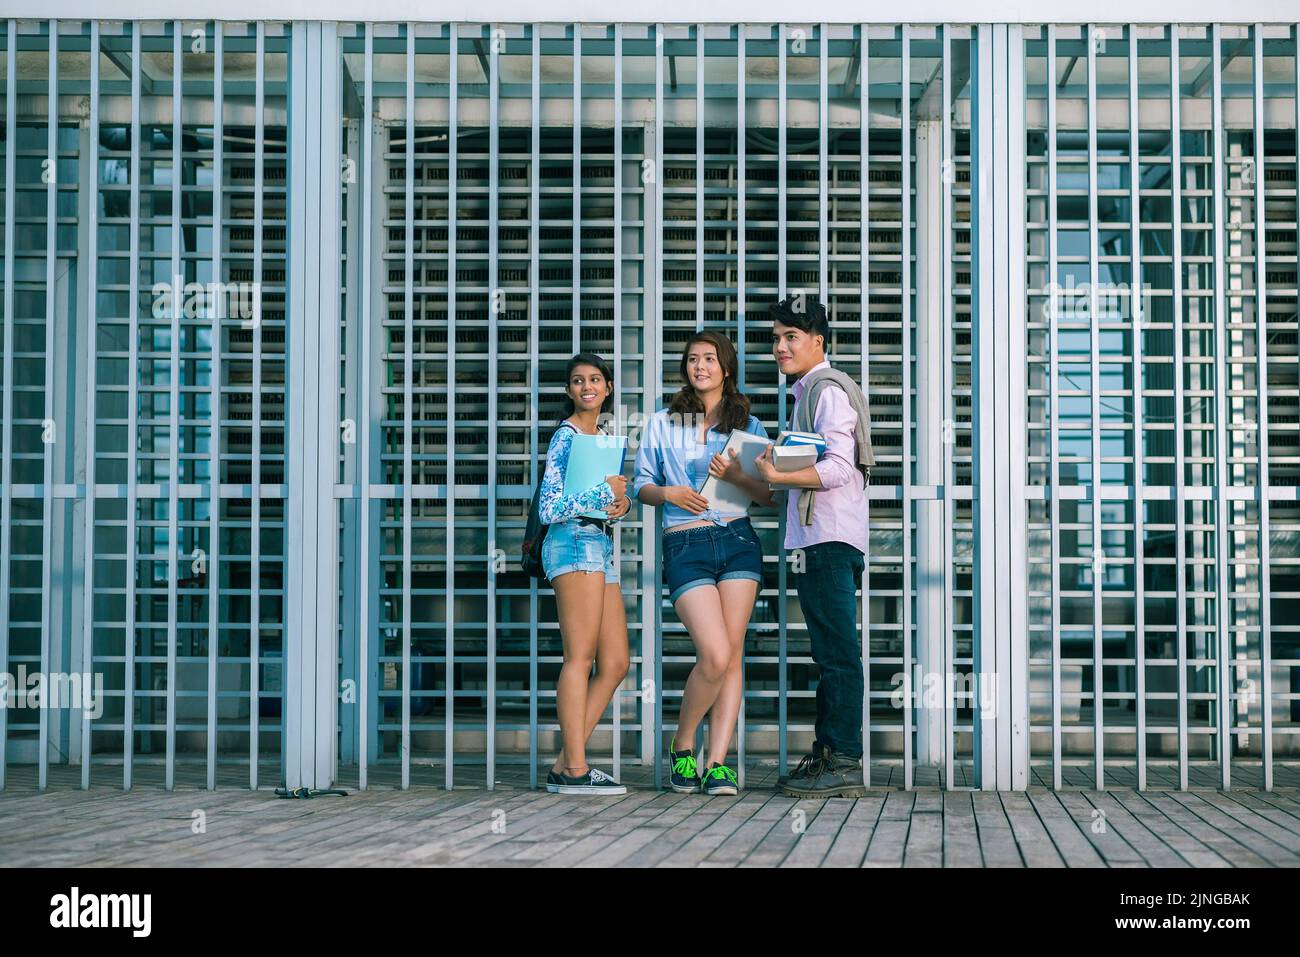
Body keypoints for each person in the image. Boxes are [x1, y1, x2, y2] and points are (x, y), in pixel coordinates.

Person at [633, 330, 773, 796]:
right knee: (713, 653)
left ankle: (717, 763)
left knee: (731, 656)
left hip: (737, 538)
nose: (700, 367)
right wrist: (668, 492)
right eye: (693, 359)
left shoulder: (749, 426)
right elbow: (641, 486)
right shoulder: (660, 422)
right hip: (685, 541)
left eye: (710, 359)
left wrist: (734, 475)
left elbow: (768, 495)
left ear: (726, 368)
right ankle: (682, 744)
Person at [755, 296, 874, 798]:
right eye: (776, 338)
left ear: (817, 342)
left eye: (791, 338)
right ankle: (830, 753)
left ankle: (843, 758)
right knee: (830, 652)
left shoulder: (826, 391)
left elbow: (838, 469)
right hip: (821, 541)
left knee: (839, 652)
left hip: (828, 540)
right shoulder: (811, 392)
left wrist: (778, 474)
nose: (780, 347)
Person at [539, 353, 633, 795]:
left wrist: (621, 504)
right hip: (572, 544)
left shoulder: (604, 438)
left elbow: (600, 499)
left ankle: (564, 762)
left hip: (598, 544)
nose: (586, 386)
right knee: (580, 657)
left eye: (595, 379)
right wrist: (602, 490)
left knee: (615, 662)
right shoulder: (567, 437)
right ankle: (575, 769)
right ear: (569, 391)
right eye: (577, 381)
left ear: (608, 388)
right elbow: (549, 507)